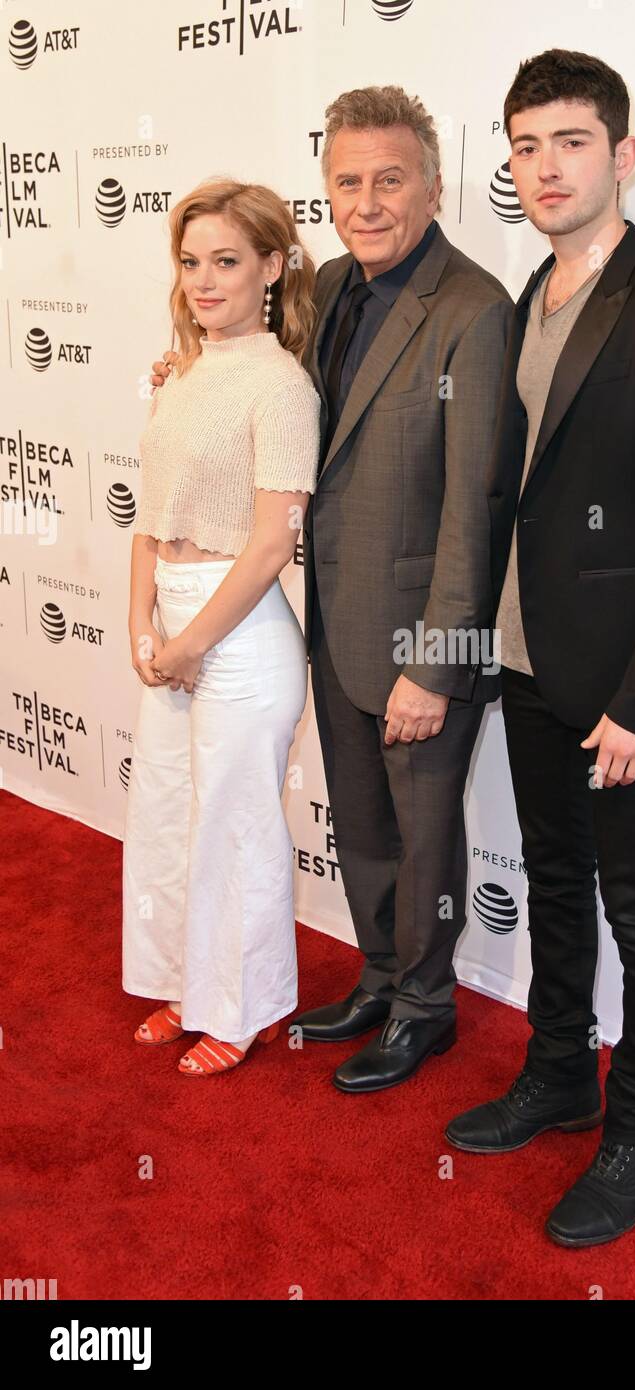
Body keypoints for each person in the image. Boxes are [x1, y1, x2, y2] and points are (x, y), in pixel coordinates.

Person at [446, 49, 635, 1246]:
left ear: (619, 154)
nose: (542, 167)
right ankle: (559, 1069)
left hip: (626, 690)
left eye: (568, 142)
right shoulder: (533, 294)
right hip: (528, 663)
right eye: (523, 147)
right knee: (554, 883)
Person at [151, 89, 513, 1094]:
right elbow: (268, 397)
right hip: (331, 626)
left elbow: (474, 506)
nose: (366, 201)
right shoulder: (329, 294)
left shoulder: (474, 310)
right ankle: (381, 976)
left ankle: (426, 1010)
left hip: (418, 642)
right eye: (346, 181)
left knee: (425, 830)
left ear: (433, 185)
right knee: (359, 822)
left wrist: (434, 663)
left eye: (388, 179)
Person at [123, 178, 320, 1076]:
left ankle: (243, 1010)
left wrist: (190, 640)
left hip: (236, 636)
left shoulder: (280, 385)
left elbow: (274, 539)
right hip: (170, 620)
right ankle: (184, 986)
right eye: (191, 262)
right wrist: (140, 625)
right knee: (169, 816)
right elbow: (149, 519)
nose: (205, 281)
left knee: (236, 822)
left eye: (228, 262)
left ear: (272, 267)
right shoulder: (181, 372)